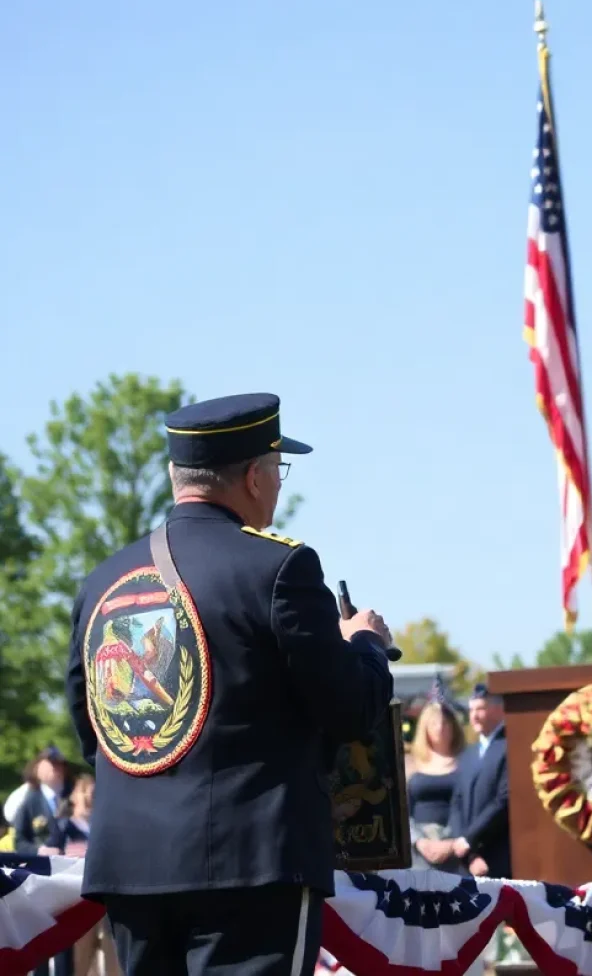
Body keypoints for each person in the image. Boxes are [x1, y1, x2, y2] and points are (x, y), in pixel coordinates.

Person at [65, 392, 395, 976]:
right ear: (253, 477)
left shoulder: (102, 580)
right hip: (252, 869)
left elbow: (94, 731)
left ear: (176, 475)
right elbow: (348, 709)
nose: (279, 486)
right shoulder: (280, 568)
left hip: (132, 868)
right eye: (278, 470)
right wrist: (365, 644)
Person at [47, 773, 122, 976]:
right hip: (77, 899)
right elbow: (49, 857)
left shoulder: (103, 826)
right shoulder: (64, 827)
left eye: (94, 793)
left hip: (105, 900)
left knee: (112, 955)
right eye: (85, 792)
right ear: (75, 796)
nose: (90, 797)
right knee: (81, 960)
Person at [447, 683, 510, 880]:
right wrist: (466, 849)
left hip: (498, 857)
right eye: (471, 709)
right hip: (467, 861)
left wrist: (469, 839)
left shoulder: (509, 746)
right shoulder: (469, 753)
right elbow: (456, 802)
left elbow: (504, 800)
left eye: (480, 709)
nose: (473, 716)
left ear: (499, 709)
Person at [407, 676, 466, 873]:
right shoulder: (410, 763)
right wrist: (420, 841)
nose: (440, 729)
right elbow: (401, 811)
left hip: (456, 849)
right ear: (425, 728)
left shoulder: (467, 761)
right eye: (434, 724)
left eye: (445, 723)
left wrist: (451, 842)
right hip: (419, 852)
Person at [11, 747, 68, 855]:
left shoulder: (72, 797)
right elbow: (19, 841)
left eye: (59, 764)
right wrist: (39, 851)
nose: (56, 768)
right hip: (41, 866)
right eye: (51, 763)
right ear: (38, 768)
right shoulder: (28, 799)